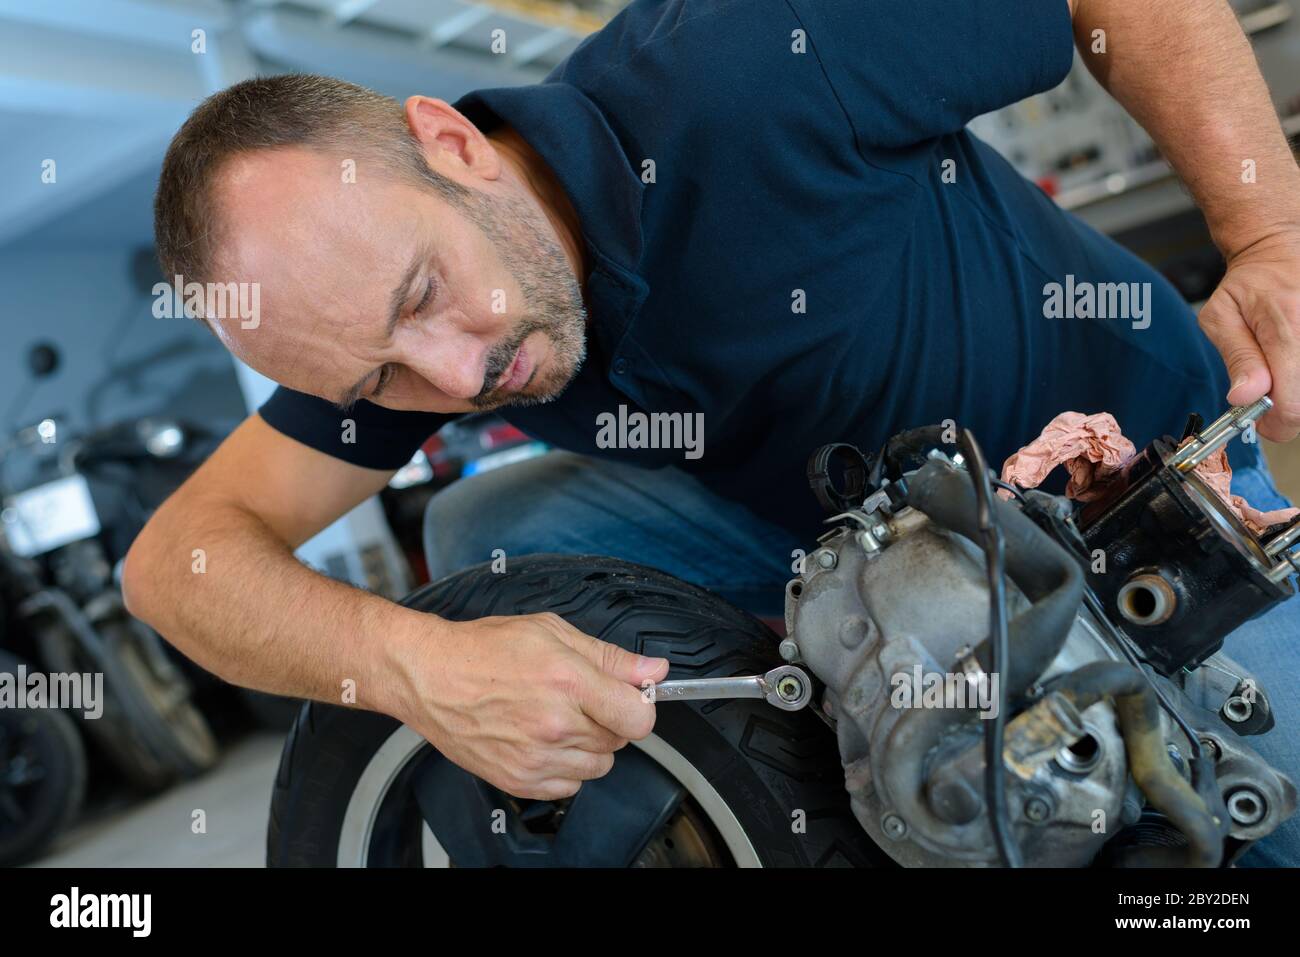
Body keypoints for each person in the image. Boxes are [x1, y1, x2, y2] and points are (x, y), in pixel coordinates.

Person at [128, 0, 1300, 863]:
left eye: (423, 296)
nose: (455, 378)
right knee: (489, 528)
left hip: (1140, 500)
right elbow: (173, 566)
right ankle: (788, 740)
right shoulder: (380, 328)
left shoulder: (755, 62)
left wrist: (1267, 232)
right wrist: (411, 668)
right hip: (850, 534)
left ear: (453, 146)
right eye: (381, 376)